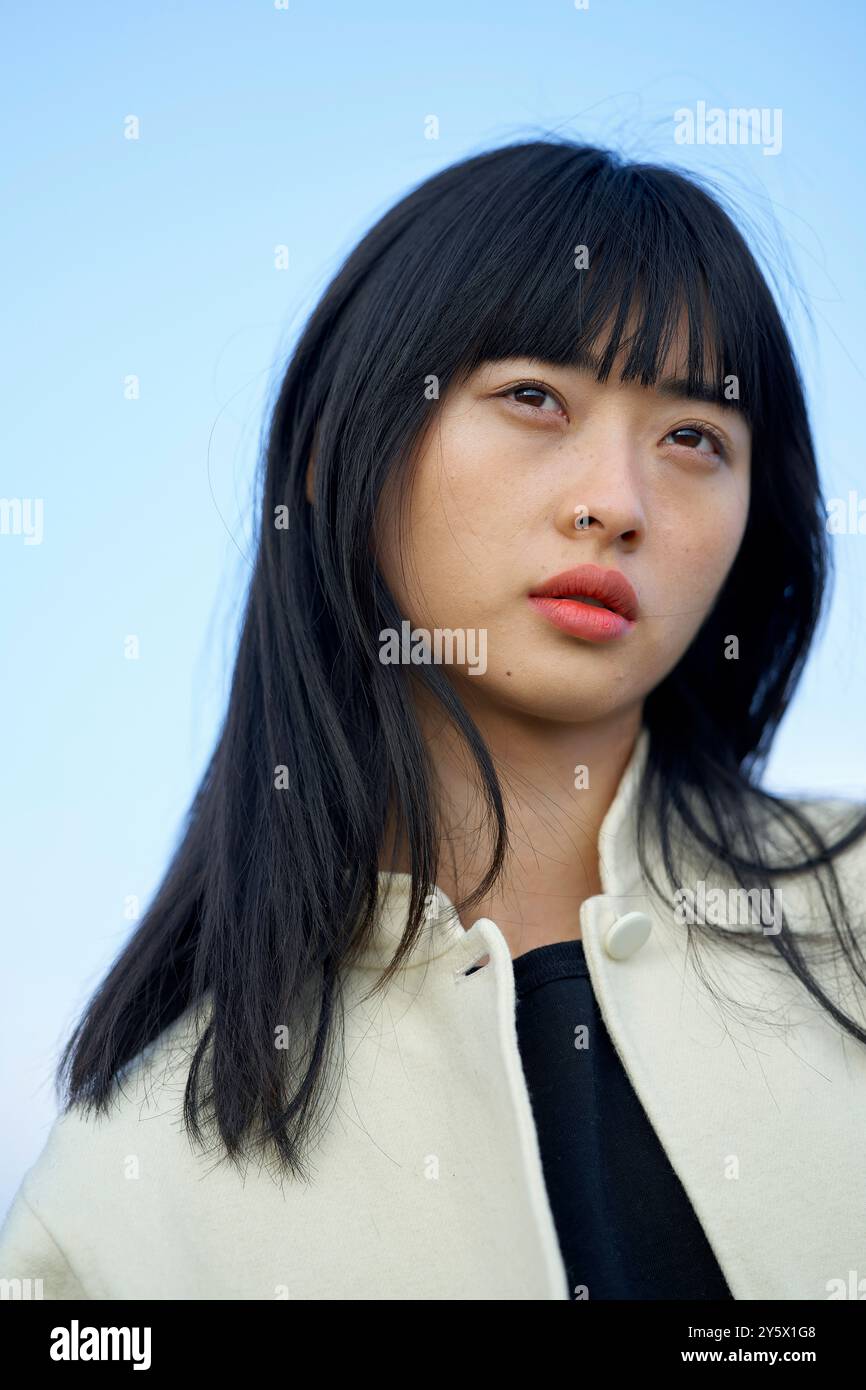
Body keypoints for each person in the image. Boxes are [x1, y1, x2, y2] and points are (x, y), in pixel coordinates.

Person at [2, 138, 865, 1302]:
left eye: (692, 438)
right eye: (531, 397)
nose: (613, 501)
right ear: (333, 454)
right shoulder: (121, 1197)